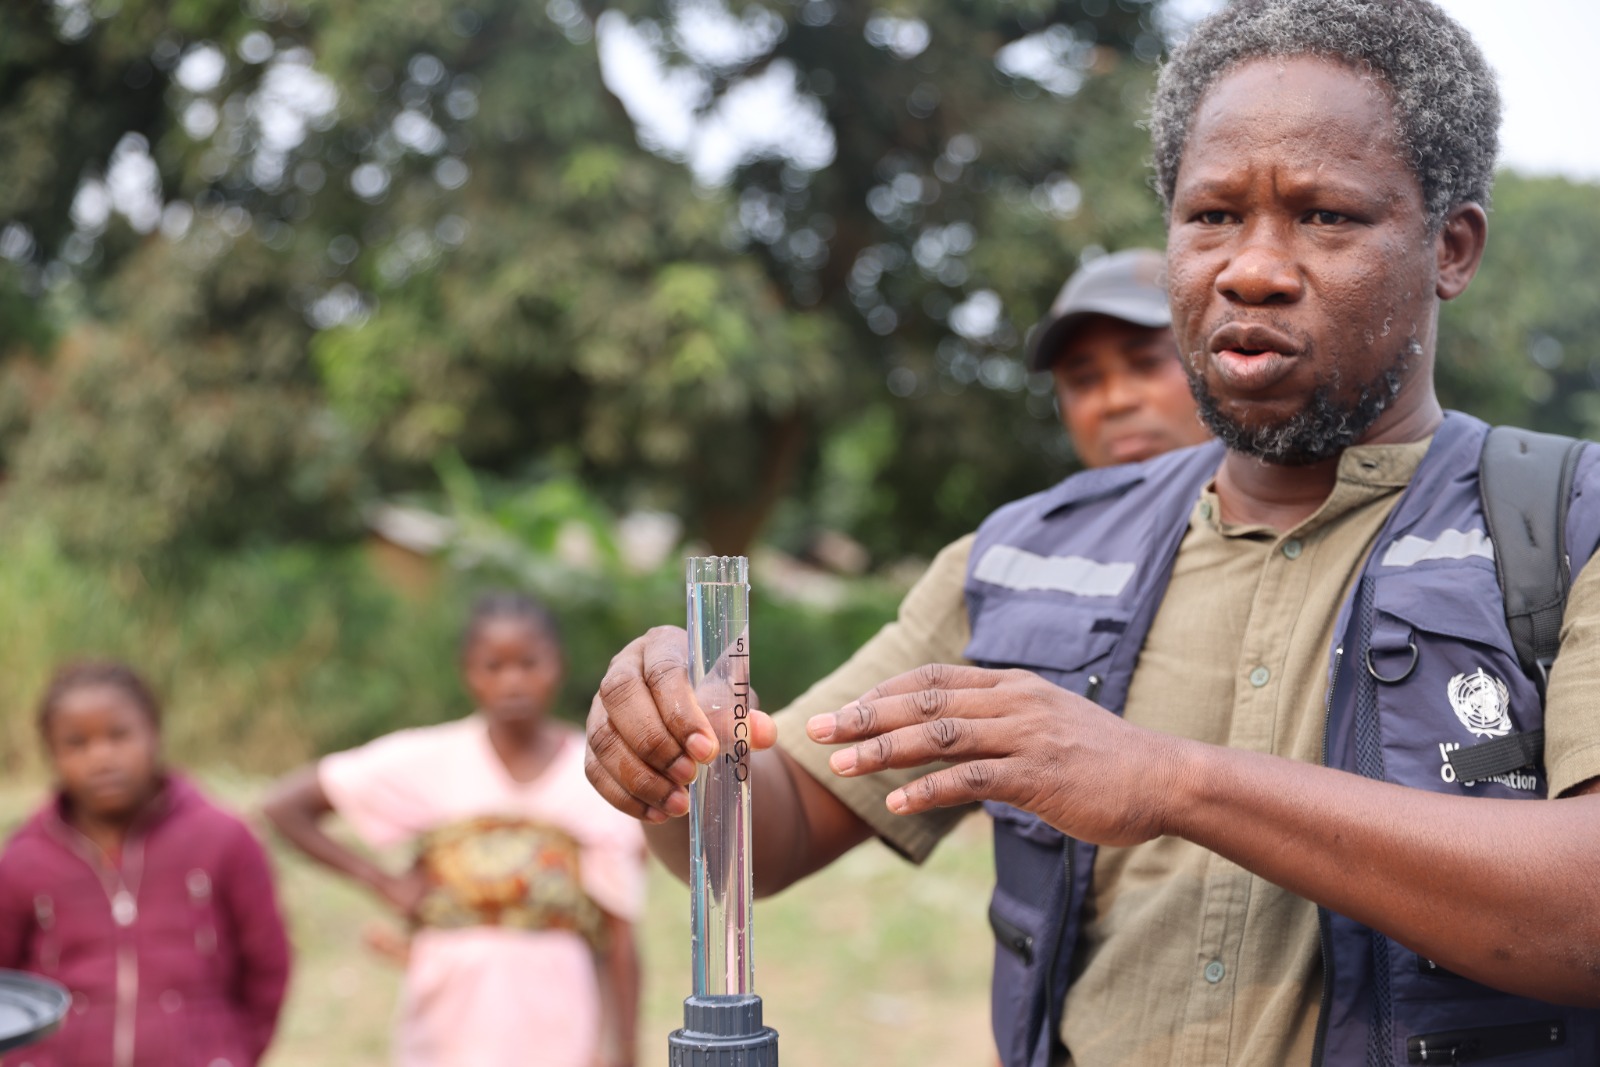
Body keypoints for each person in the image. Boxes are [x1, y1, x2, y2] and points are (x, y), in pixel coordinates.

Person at [584, 0, 1600, 1063]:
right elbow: (775, 826)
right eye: (1210, 215)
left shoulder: (1562, 530)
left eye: (1326, 216)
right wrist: (676, 748)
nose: (1250, 267)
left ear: (1452, 246)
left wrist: (1169, 780)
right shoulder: (1026, 556)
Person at [263, 592, 645, 1067]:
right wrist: (380, 880)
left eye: (530, 663)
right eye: (493, 665)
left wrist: (626, 1050)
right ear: (468, 671)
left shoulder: (597, 774)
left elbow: (620, 932)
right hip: (447, 1015)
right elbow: (284, 806)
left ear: (559, 665)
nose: (513, 680)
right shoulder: (430, 760)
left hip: (558, 1014)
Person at [0, 661, 290, 1067]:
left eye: (119, 735)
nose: (101, 757)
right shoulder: (25, 857)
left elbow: (267, 964)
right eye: (76, 743)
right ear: (51, 752)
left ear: (154, 732)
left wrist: (232, 1052)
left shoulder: (223, 838)